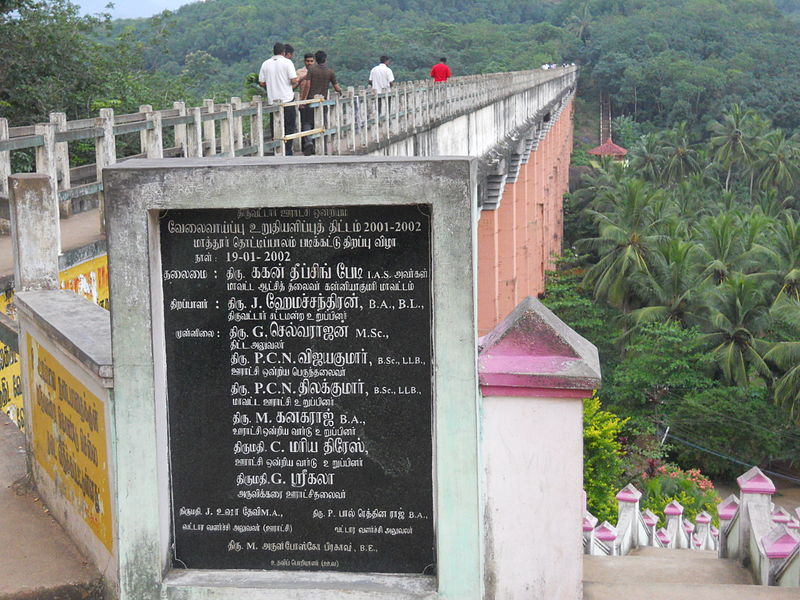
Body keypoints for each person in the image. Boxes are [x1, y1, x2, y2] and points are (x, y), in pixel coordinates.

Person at [258, 42, 299, 155]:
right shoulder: (287, 62)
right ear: (283, 52)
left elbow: (261, 82)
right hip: (287, 99)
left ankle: (277, 150)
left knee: (275, 127)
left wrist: (271, 83)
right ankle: (288, 150)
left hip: (273, 101)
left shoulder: (265, 64)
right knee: (289, 126)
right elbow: (294, 80)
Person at [302, 50, 343, 155]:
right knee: (322, 123)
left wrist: (303, 100)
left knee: (307, 122)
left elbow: (307, 85)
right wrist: (341, 92)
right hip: (323, 102)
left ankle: (309, 142)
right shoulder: (330, 72)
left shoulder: (311, 70)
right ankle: (322, 146)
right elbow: (336, 87)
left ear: (316, 59)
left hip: (310, 101)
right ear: (325, 59)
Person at [298, 53, 315, 135]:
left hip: (315, 101)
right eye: (308, 61)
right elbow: (294, 84)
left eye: (311, 61)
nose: (309, 63)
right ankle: (306, 144)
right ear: (304, 62)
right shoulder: (299, 72)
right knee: (304, 124)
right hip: (303, 103)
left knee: (315, 124)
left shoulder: (317, 71)